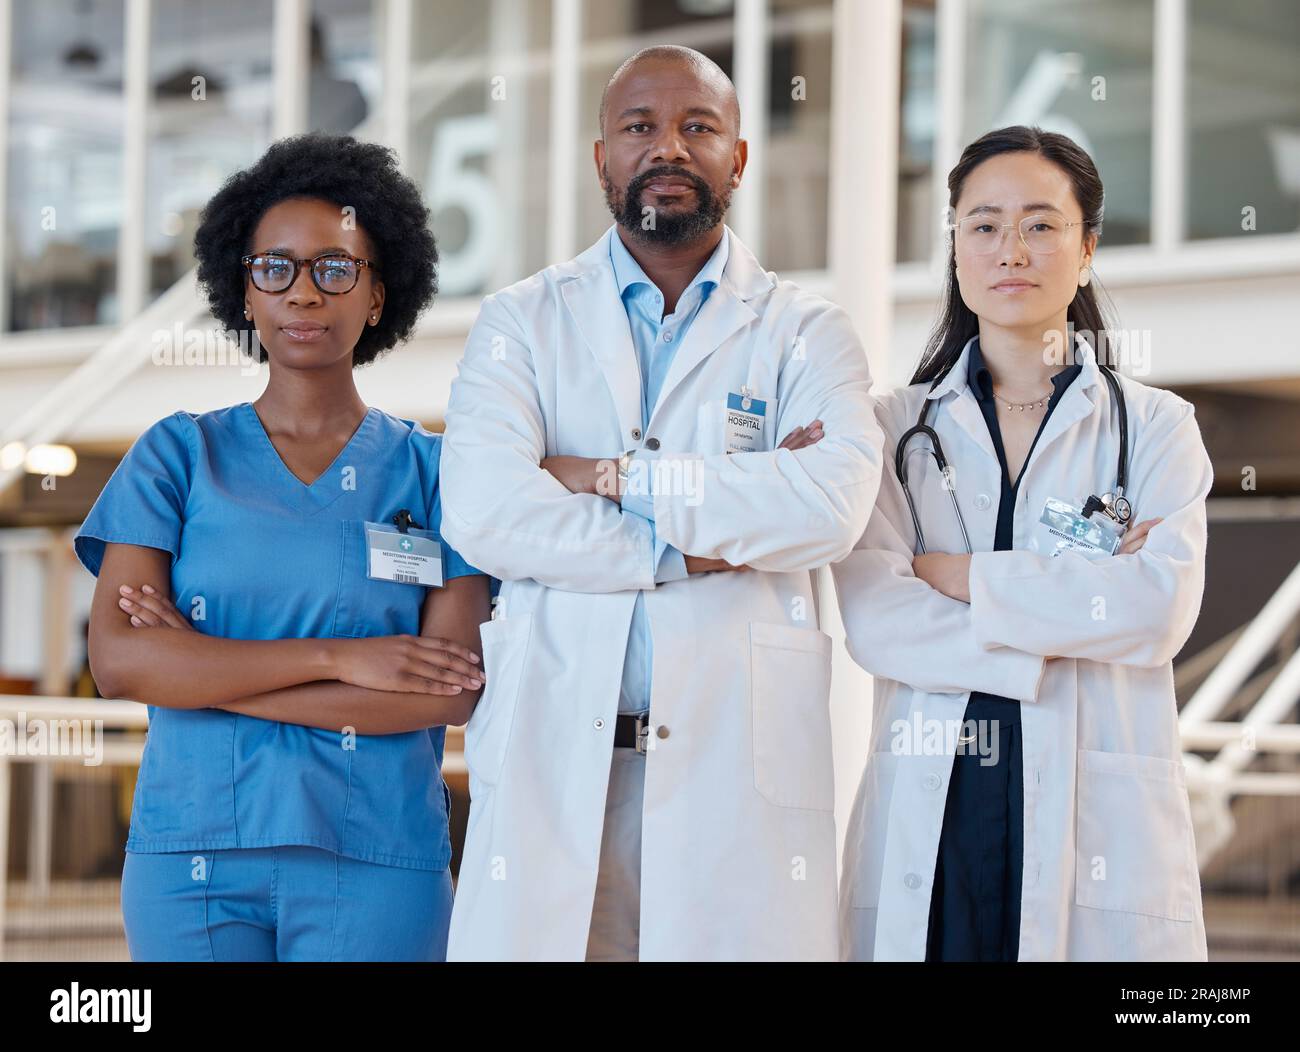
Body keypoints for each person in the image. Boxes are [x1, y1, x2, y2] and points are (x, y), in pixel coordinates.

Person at [438, 46, 884, 961]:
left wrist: (607, 477)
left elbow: (825, 508)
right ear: (602, 158)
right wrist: (691, 547)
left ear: (739, 159)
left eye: (698, 127)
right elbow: (486, 512)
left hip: (733, 779)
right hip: (559, 762)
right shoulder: (523, 322)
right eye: (640, 127)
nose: (668, 147)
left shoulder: (808, 334)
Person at [75, 133, 493, 962]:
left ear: (378, 295)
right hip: (191, 863)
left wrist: (197, 669)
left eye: (336, 269)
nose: (305, 293)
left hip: (377, 863)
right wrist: (346, 658)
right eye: (277, 268)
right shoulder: (176, 456)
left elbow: (448, 692)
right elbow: (121, 663)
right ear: (246, 290)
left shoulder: (440, 472)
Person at [831, 126, 1212, 961]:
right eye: (984, 224)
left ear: (1086, 250)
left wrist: (959, 575)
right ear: (957, 249)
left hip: (1091, 817)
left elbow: (1155, 611)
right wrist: (1063, 617)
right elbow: (877, 620)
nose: (1012, 249)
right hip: (936, 813)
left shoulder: (1153, 429)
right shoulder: (894, 428)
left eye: (1042, 225)